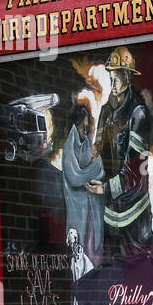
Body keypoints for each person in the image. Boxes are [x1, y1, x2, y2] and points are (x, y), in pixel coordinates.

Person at [90, 46, 152, 255]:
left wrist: (104, 189)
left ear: (127, 76)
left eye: (116, 78)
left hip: (134, 214)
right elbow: (97, 147)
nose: (112, 84)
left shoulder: (138, 114)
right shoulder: (107, 110)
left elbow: (134, 172)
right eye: (111, 78)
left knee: (137, 277)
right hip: (110, 212)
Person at [61, 103, 104, 268]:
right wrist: (97, 166)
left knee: (93, 249)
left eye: (87, 127)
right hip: (77, 209)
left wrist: (95, 168)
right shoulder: (68, 148)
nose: (85, 131)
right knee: (79, 253)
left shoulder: (86, 143)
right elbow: (75, 177)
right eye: (81, 127)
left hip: (90, 206)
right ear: (75, 126)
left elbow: (93, 174)